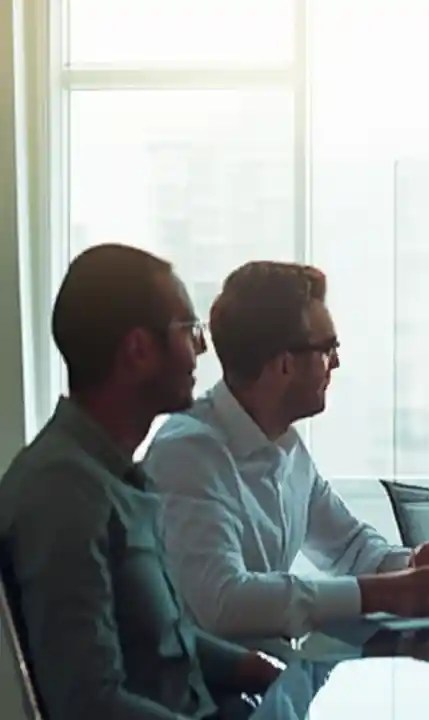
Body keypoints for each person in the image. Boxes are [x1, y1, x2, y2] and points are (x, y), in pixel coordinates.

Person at [0, 244, 281, 720]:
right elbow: (88, 704)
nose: (201, 348)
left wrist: (259, 669)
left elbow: (169, 641)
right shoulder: (62, 493)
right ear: (138, 350)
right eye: (190, 331)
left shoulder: (120, 476)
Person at [143, 261, 429, 644]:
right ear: (285, 363)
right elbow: (223, 603)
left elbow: (350, 546)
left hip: (271, 683)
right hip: (208, 695)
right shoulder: (189, 453)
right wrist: (380, 593)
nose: (335, 362)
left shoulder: (286, 445)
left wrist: (408, 564)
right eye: (327, 348)